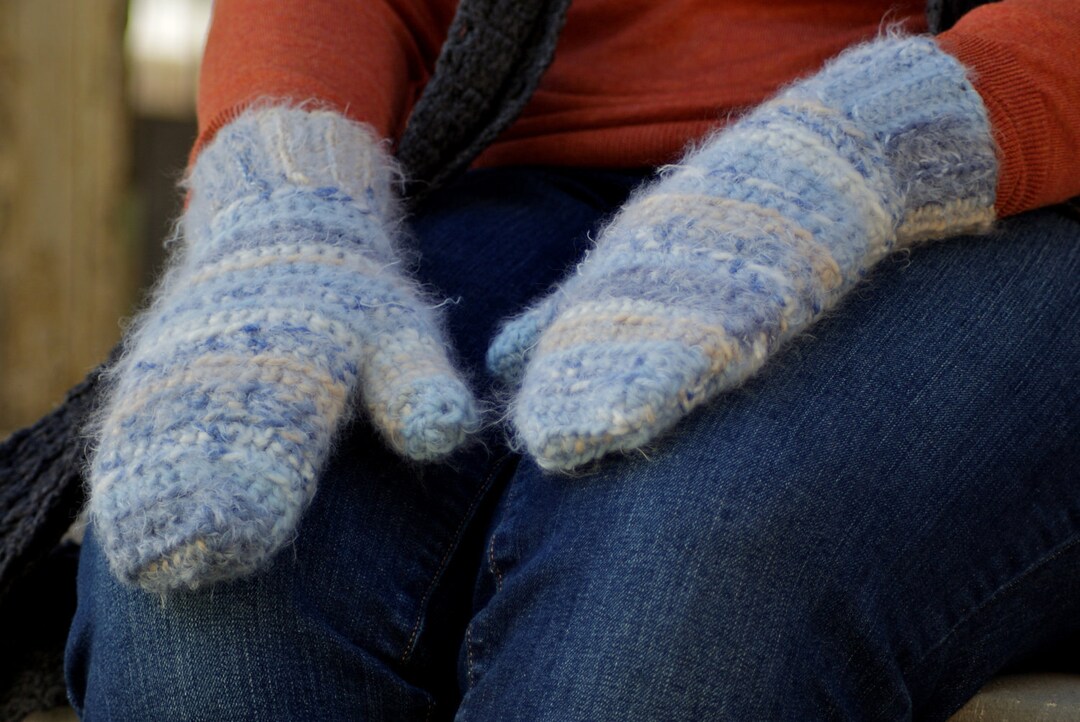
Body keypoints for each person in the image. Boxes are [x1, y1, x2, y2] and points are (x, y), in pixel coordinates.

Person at [64, 0, 1079, 719]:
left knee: (681, 572)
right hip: (511, 164)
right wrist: (281, 198)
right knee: (208, 592)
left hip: (1005, 182)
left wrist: (889, 137)